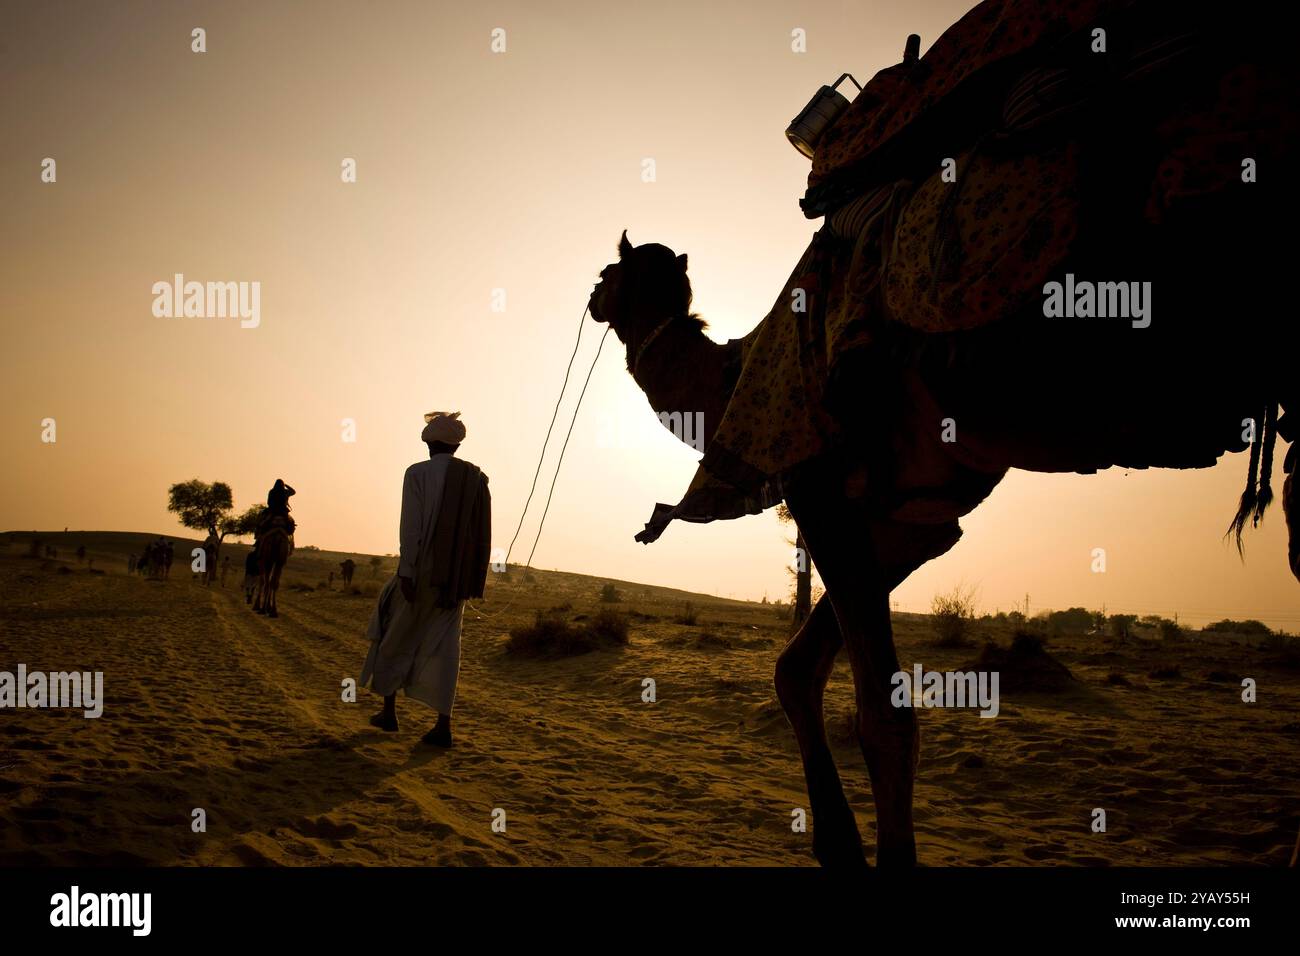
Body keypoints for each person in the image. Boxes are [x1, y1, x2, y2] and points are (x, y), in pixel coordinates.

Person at [360, 411, 491, 747]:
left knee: (396, 634)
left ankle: (389, 712)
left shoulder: (417, 474)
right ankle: (442, 726)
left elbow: (412, 527)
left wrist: (407, 571)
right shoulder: (475, 479)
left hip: (421, 573)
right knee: (447, 646)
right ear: (456, 444)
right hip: (455, 578)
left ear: (429, 442)